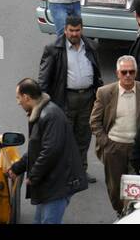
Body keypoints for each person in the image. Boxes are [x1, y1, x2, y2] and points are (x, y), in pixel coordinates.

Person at [9, 78, 87, 224]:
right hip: (51, 183)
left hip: (58, 184)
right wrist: (17, 168)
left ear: (26, 97)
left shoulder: (50, 116)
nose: (18, 102)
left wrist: (33, 176)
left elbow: (50, 151)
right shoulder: (42, 113)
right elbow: (36, 149)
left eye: (18, 98)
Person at [37, 13, 102, 183]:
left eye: (78, 30)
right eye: (71, 30)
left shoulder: (91, 46)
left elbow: (97, 73)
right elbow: (43, 80)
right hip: (64, 99)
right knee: (64, 137)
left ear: (82, 29)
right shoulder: (53, 49)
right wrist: (41, 105)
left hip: (88, 98)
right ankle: (64, 173)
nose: (74, 34)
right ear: (65, 30)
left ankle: (81, 171)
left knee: (84, 135)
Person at [89, 56, 140, 216]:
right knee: (115, 187)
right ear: (117, 73)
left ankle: (130, 213)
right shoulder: (105, 93)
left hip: (137, 148)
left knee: (135, 184)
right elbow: (95, 121)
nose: (128, 75)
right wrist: (106, 143)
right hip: (114, 147)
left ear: (136, 73)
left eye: (131, 72)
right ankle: (120, 211)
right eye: (124, 72)